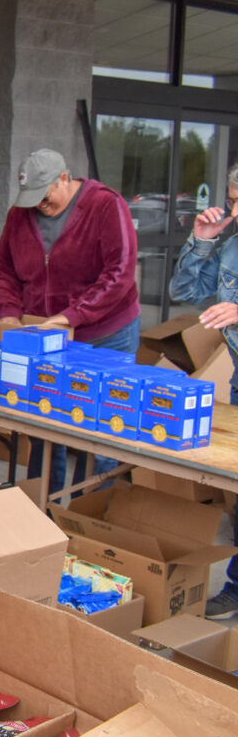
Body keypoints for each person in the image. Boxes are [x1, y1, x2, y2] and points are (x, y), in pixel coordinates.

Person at [0, 148, 140, 497]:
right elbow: (6, 268)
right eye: (31, 198)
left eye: (44, 196)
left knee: (100, 428)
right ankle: (43, 504)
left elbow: (119, 273)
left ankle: (86, 513)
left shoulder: (106, 205)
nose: (38, 205)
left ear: (64, 178)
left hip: (106, 333)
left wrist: (71, 316)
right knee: (44, 421)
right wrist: (9, 311)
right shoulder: (20, 214)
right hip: (47, 334)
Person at [168, 163, 238, 619]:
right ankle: (237, 586)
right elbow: (184, 291)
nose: (235, 210)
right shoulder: (231, 246)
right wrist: (201, 241)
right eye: (232, 201)